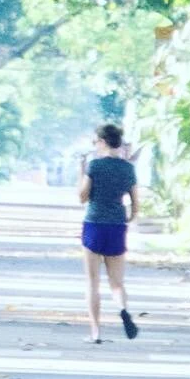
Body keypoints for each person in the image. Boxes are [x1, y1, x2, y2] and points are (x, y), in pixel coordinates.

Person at [77, 123, 140, 343]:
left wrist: (81, 171)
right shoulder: (128, 168)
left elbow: (82, 196)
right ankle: (122, 308)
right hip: (116, 226)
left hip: (94, 224)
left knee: (92, 282)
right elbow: (135, 205)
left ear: (102, 142)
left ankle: (95, 332)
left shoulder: (94, 166)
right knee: (117, 283)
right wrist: (127, 219)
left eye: (95, 142)